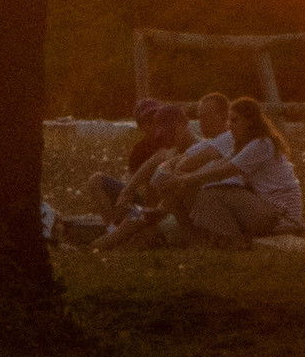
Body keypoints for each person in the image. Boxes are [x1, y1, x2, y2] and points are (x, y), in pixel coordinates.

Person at [96, 91, 239, 250]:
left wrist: (153, 210)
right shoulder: (181, 148)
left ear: (182, 125)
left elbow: (177, 184)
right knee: (135, 220)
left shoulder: (205, 146)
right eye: (165, 135)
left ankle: (99, 247)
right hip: (179, 210)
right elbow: (156, 161)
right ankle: (102, 245)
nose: (169, 139)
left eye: (172, 133)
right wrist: (129, 190)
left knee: (142, 229)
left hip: (198, 212)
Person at [183, 97, 302, 249]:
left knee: (211, 193)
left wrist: (185, 179)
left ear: (250, 122)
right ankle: (227, 239)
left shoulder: (261, 144)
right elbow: (221, 165)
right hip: (268, 208)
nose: (230, 126)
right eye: (229, 121)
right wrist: (187, 178)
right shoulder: (245, 144)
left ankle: (234, 240)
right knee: (210, 191)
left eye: (235, 121)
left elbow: (223, 171)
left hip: (281, 215)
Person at [92, 97, 190, 221]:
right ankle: (112, 226)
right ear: (141, 126)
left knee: (157, 173)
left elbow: (163, 158)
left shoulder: (174, 138)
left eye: (155, 118)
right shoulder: (139, 150)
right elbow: (132, 181)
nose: (153, 123)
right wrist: (128, 192)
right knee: (96, 180)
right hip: (144, 198)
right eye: (147, 121)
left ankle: (141, 222)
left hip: (168, 197)